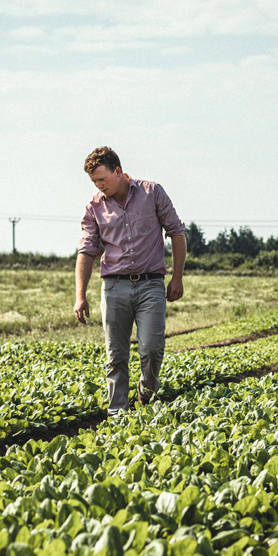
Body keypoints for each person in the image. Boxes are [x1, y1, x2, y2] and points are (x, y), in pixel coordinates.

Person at [74, 146, 187, 415]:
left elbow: (177, 232)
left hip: (150, 284)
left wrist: (177, 277)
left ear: (118, 171)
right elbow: (86, 250)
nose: (100, 186)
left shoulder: (152, 192)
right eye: (94, 182)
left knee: (151, 349)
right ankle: (118, 415)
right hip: (114, 287)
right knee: (116, 356)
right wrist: (80, 294)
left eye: (103, 179)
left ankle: (146, 392)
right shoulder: (94, 206)